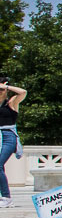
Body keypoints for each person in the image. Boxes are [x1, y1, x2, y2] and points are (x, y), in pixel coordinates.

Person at [0, 75, 22, 207]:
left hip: (8, 136)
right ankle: (5, 197)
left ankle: (7, 198)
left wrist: (6, 86)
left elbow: (23, 92)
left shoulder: (12, 102)